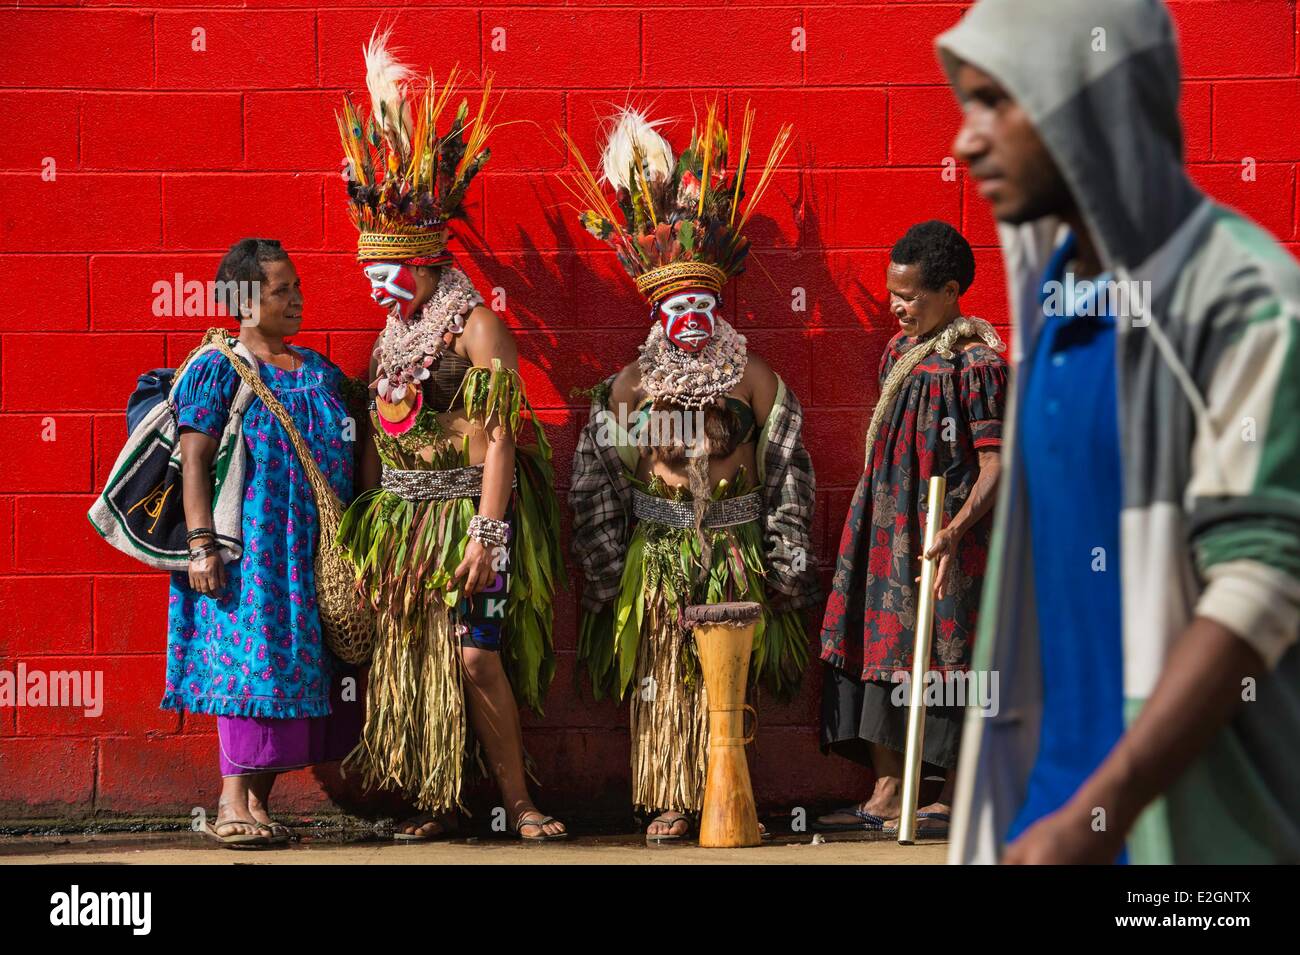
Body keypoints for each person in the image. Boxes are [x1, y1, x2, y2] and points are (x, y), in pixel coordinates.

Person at [937, 0, 1300, 863]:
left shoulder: (1246, 304)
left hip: (1194, 849)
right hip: (1044, 818)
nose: (965, 139)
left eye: (996, 101)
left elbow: (1258, 589)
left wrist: (1096, 816)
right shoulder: (1053, 305)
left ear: (1086, 99)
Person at [334, 29, 567, 841]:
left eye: (389, 274)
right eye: (370, 274)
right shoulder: (387, 339)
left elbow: (500, 438)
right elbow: (374, 443)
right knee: (415, 663)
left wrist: (490, 536)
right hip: (402, 527)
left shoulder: (476, 328)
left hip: (472, 516)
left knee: (475, 657)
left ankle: (521, 801)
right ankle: (438, 798)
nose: (378, 287)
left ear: (427, 259)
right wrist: (365, 537)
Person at [564, 104, 821, 842]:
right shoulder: (629, 386)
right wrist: (610, 570)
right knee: (665, 681)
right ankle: (670, 794)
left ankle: (728, 784)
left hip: (734, 550)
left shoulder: (754, 379)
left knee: (726, 679)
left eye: (703, 305)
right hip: (662, 553)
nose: (690, 320)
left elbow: (788, 470)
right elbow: (598, 480)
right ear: (656, 308)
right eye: (677, 307)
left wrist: (786, 561)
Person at [167, 237, 365, 847]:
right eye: (283, 290)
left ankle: (257, 804)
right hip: (247, 555)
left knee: (289, 674)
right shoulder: (215, 369)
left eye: (298, 287)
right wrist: (201, 544)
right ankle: (231, 801)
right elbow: (195, 460)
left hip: (308, 557)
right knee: (248, 668)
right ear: (246, 301)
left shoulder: (322, 372)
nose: (298, 300)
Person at [816, 221, 1006, 838]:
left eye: (910, 296)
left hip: (953, 537)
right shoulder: (899, 355)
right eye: (893, 295)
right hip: (887, 525)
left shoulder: (979, 366)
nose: (896, 308)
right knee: (880, 647)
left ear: (951, 290)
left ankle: (953, 795)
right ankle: (887, 790)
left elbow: (996, 465)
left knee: (949, 652)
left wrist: (953, 529)